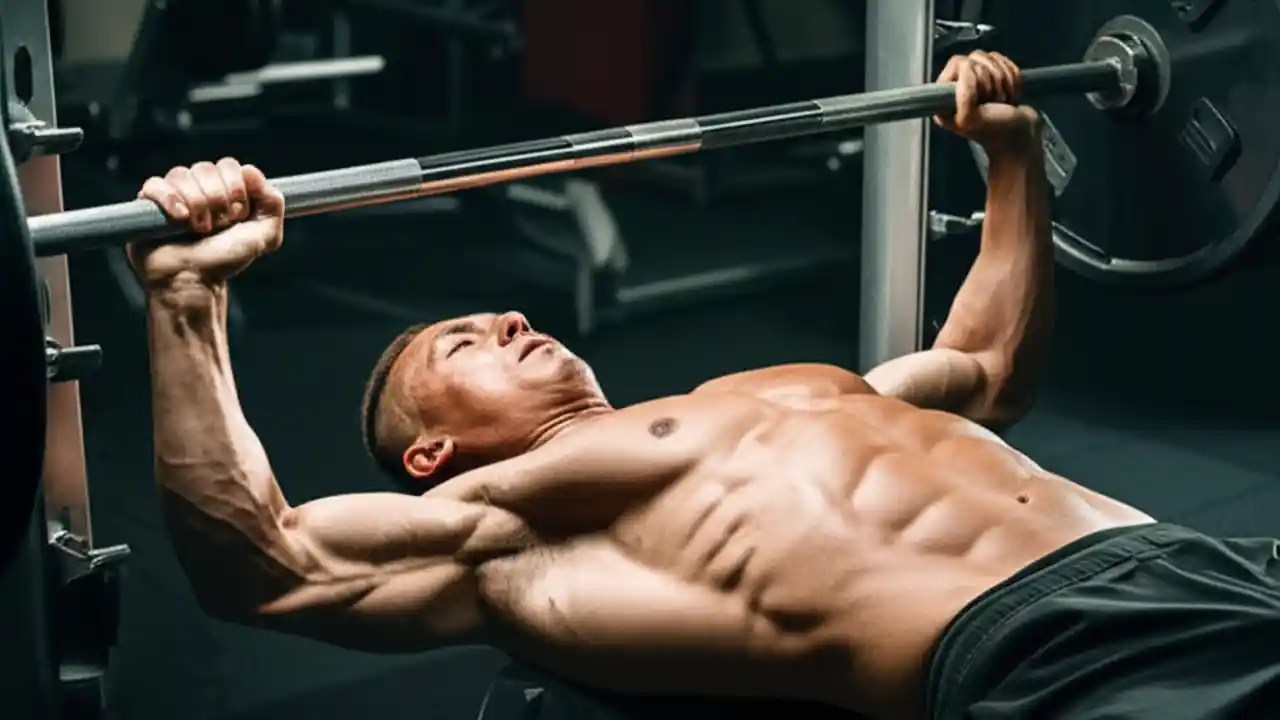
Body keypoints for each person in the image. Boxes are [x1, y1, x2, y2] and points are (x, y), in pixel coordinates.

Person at [130, 52, 1280, 720]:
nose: (510, 318)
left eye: (499, 312)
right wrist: (188, 300)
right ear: (430, 453)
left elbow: (985, 370)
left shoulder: (775, 390)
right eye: (463, 343)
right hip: (1057, 651)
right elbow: (263, 568)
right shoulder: (509, 531)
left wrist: (1012, 154)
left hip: (1199, 562)